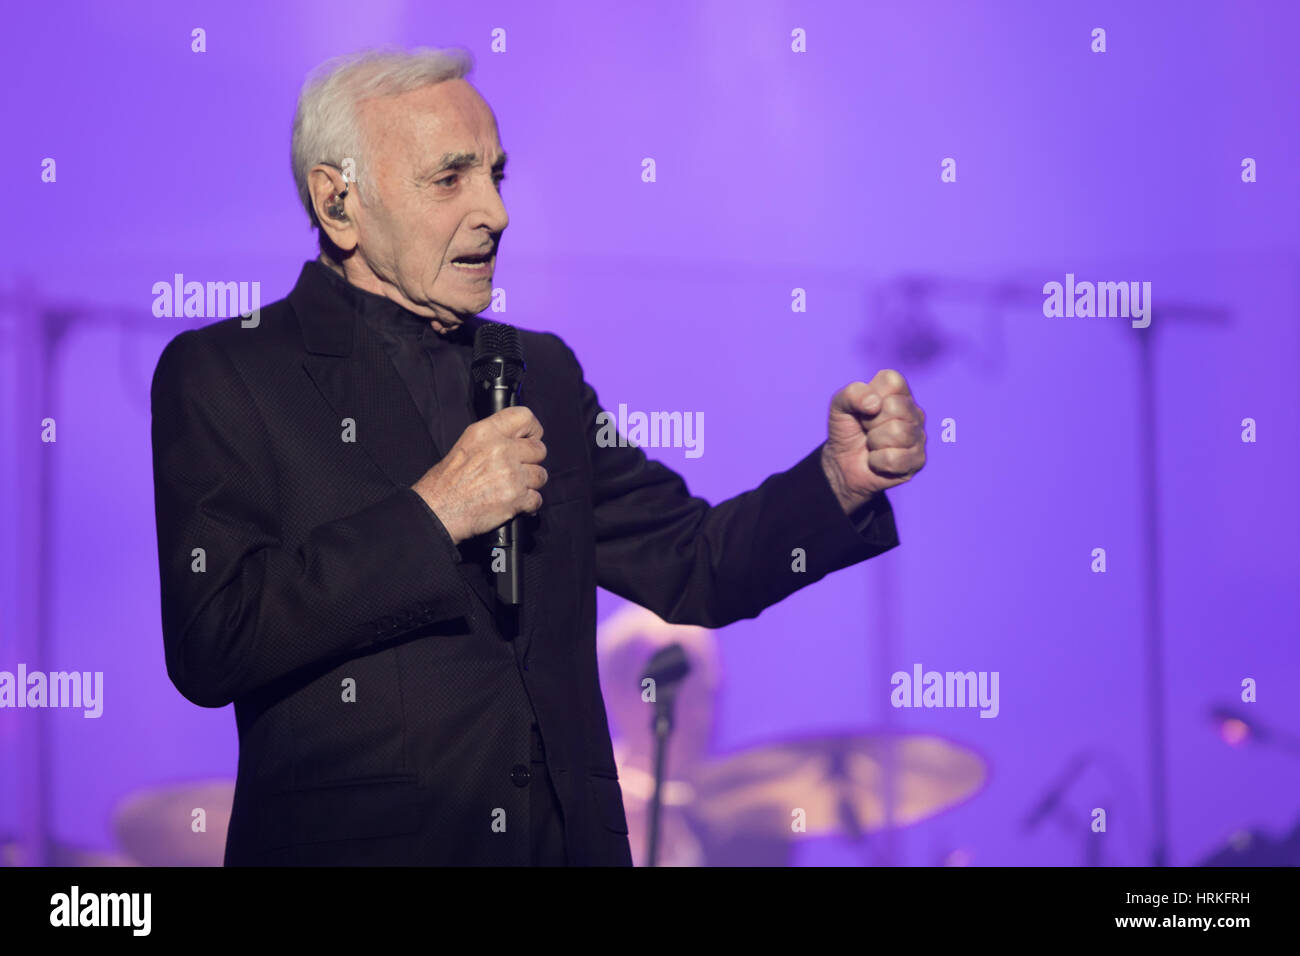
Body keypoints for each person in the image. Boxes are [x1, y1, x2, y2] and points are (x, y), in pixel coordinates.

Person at [148, 46, 926, 866]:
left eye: (495, 174)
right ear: (339, 204)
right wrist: (432, 516)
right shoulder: (230, 372)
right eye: (450, 179)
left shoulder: (540, 373)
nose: (495, 211)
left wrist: (837, 484)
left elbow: (692, 561)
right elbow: (214, 639)